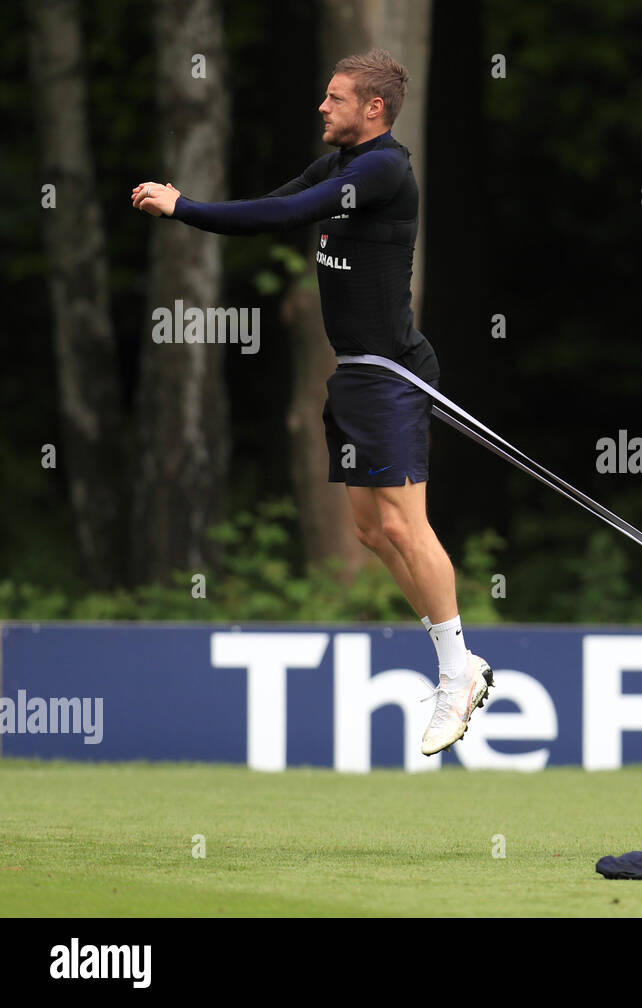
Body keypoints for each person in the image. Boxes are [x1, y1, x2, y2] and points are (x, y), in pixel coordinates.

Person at [131, 49, 491, 755]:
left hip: (392, 373)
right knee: (371, 531)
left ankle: (458, 671)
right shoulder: (339, 166)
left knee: (404, 524)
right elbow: (269, 209)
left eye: (336, 98)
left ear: (374, 109)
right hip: (354, 375)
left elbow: (290, 212)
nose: (322, 107)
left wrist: (183, 207)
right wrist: (189, 209)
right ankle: (458, 662)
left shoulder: (383, 171)